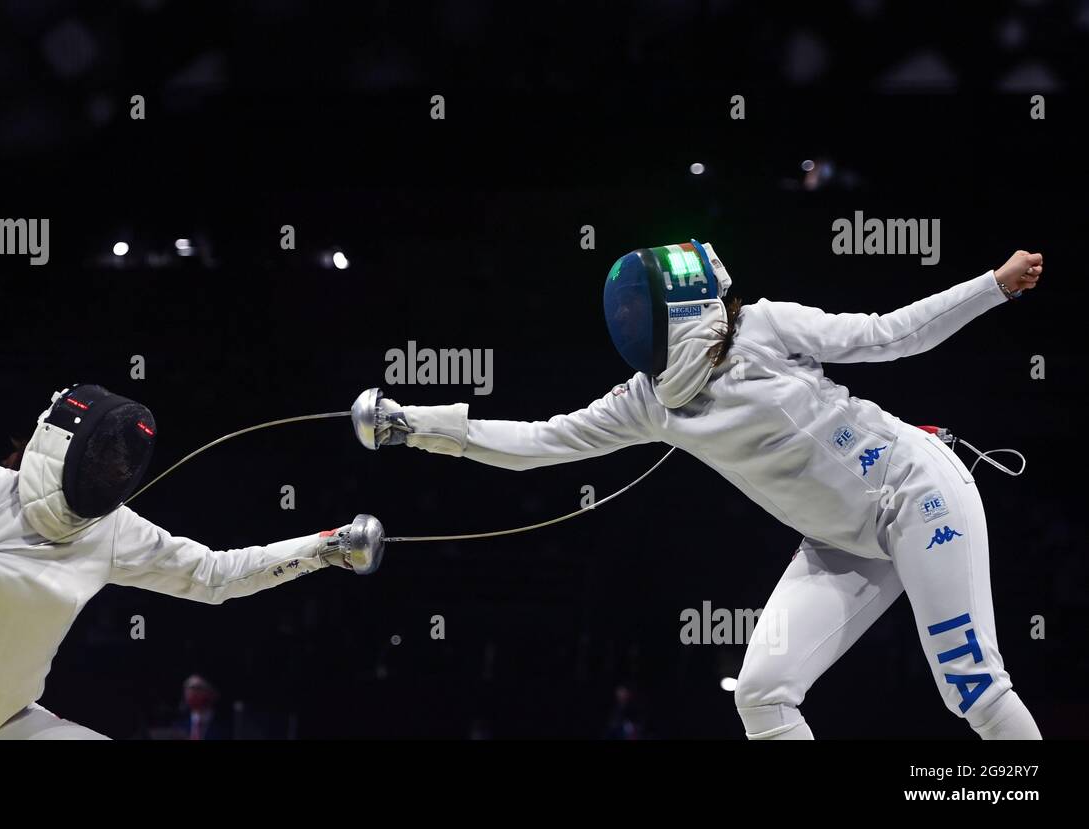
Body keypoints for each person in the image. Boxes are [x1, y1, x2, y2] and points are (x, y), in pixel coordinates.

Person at [354, 243, 1043, 740]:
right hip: (845, 542)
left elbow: (886, 336)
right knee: (762, 695)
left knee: (974, 689)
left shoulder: (763, 328)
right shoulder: (649, 403)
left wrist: (993, 284)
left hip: (916, 493)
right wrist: (414, 425)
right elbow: (540, 444)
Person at [0, 384, 382, 740]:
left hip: (8, 723)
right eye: (103, 458)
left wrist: (324, 548)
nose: (112, 472)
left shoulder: (113, 532)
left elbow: (215, 576)